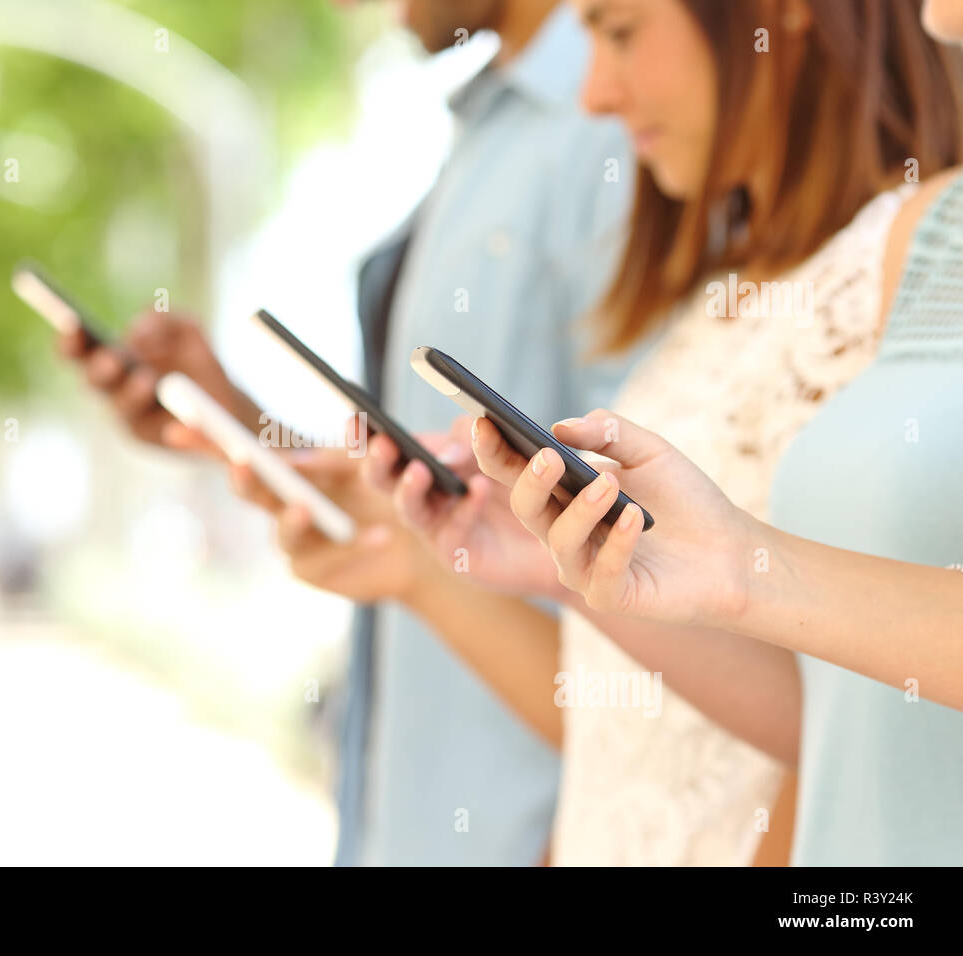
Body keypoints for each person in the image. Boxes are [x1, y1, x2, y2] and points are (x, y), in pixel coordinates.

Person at [364, 0, 963, 864]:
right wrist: (552, 564)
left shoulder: (915, 260)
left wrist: (741, 568)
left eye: (620, 31)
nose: (596, 95)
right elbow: (641, 737)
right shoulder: (711, 301)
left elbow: (846, 732)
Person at [66, 0, 635, 865]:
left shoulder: (617, 127)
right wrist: (234, 421)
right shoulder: (492, 125)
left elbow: (666, 598)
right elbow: (422, 512)